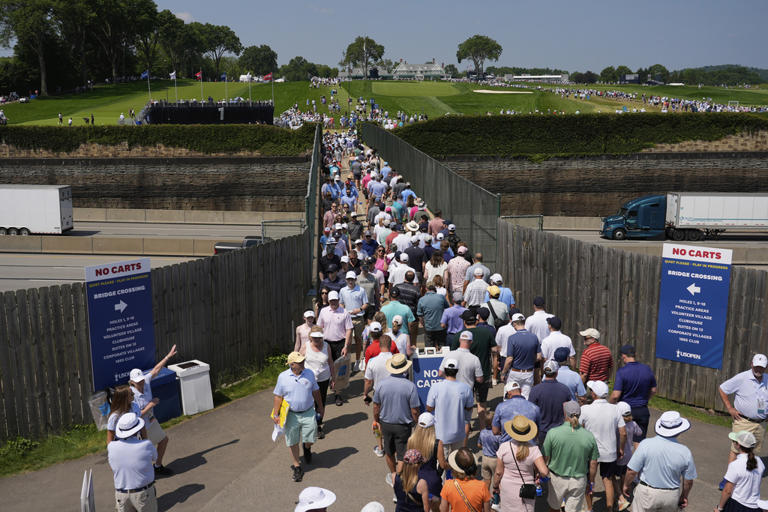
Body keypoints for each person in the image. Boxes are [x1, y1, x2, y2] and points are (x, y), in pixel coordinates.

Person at [623, 411, 696, 512]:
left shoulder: (646, 444)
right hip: (670, 495)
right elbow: (688, 481)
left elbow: (631, 471)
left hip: (647, 493)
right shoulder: (685, 452)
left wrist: (626, 484)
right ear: (679, 431)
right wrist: (684, 495)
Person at [272, 352, 325, 482]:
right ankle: (297, 466)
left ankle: (307, 448)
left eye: (302, 361)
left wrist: (321, 406)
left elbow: (315, 391)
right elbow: (278, 396)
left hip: (308, 412)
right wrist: (276, 413)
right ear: (291, 364)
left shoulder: (309, 374)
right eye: (299, 362)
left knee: (311, 438)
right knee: (292, 441)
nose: (302, 363)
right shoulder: (283, 377)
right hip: (291, 414)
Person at [129, 344, 177, 476]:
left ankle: (158, 466)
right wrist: (151, 405)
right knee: (142, 453)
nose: (141, 383)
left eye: (142, 380)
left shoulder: (146, 380)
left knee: (164, 440)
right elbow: (136, 416)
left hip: (151, 421)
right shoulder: (131, 396)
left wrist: (167, 356)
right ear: (132, 382)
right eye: (138, 382)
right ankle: (141, 475)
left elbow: (156, 369)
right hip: (140, 427)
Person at [542, 401, 599, 512]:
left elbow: (545, 457)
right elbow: (593, 463)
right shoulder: (589, 436)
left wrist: (541, 473)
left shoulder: (553, 433)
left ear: (565, 414)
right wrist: (591, 482)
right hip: (578, 480)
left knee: (554, 508)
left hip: (556, 479)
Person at [579, 380, 626, 512]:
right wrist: (621, 448)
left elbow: (579, 429)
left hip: (590, 452)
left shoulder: (585, 409)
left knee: (589, 480)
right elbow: (623, 433)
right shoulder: (615, 409)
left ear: (594, 394)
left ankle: (589, 508)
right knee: (608, 480)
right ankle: (609, 509)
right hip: (609, 452)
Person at [374, 354, 421, 484]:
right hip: (403, 426)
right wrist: (417, 423)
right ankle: (398, 479)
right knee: (402, 455)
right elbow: (414, 410)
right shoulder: (410, 386)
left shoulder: (381, 385)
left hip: (386, 423)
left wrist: (377, 420)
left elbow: (376, 406)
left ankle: (393, 474)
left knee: (389, 453)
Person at [718, 354, 768, 465]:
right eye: (757, 366)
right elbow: (723, 389)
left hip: (761, 424)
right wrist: (730, 408)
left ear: (766, 367)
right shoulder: (742, 377)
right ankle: (729, 479)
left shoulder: (767, 379)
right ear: (752, 364)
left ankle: (747, 476)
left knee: (754, 450)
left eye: (761, 367)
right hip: (743, 422)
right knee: (736, 450)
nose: (758, 369)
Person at [493, 415, 549, 512]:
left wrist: (495, 486)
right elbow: (544, 471)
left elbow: (498, 472)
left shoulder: (504, 447)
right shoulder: (534, 449)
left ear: (512, 432)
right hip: (527, 491)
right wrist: (538, 475)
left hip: (507, 490)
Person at [107, 413, 158, 512]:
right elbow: (155, 457)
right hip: (143, 493)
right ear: (137, 429)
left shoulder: (111, 447)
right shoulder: (146, 445)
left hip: (121, 495)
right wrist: (145, 436)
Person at [427, 358, 474, 463]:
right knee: (457, 464)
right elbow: (469, 407)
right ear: (457, 371)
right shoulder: (466, 388)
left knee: (441, 466)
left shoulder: (436, 387)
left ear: (444, 369)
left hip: (440, 434)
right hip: (458, 433)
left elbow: (429, 408)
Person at [609, 344, 657, 441]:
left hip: (626, 411)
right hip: (642, 410)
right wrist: (645, 399)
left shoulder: (622, 372)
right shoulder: (647, 369)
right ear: (635, 354)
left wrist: (609, 405)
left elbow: (615, 395)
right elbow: (653, 390)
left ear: (623, 356)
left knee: (622, 438)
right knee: (639, 440)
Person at [317, 290, 353, 406]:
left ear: (338, 300)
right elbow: (319, 328)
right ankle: (323, 393)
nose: (333, 303)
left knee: (338, 369)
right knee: (326, 367)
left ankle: (337, 393)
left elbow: (349, 330)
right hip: (326, 343)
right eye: (331, 301)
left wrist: (346, 346)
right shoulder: (323, 312)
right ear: (328, 301)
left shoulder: (344, 312)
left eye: (335, 300)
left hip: (340, 343)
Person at [717, 431, 764, 512]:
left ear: (738, 445)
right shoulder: (760, 462)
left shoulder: (735, 465)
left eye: (734, 441)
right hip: (755, 507)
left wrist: (720, 508)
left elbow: (727, 490)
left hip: (737, 505)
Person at [528, 360, 572, 445]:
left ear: (544, 372)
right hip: (560, 432)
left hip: (541, 431)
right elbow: (569, 411)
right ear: (556, 373)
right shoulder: (565, 389)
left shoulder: (535, 390)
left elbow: (531, 413)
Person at [408, 412, 443, 510]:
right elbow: (442, 464)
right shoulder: (437, 443)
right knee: (437, 508)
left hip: (415, 480)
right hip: (432, 481)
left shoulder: (411, 440)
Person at [500, 313, 540, 399]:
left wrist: (503, 373)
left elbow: (509, 359)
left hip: (515, 372)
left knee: (509, 397)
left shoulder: (512, 338)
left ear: (514, 323)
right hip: (529, 372)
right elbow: (539, 357)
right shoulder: (534, 337)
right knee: (526, 398)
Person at [304, 328, 334, 439]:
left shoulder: (326, 346)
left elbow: (330, 362)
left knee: (321, 402)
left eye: (319, 337)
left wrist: (333, 378)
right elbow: (299, 361)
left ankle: (318, 426)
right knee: (309, 402)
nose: (317, 339)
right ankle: (309, 425)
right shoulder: (306, 346)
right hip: (308, 380)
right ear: (310, 337)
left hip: (323, 379)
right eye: (314, 337)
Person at [339, 271, 369, 371]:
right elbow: (341, 303)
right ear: (346, 280)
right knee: (346, 342)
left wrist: (359, 310)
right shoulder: (343, 290)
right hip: (347, 319)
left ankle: (357, 361)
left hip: (359, 318)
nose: (350, 281)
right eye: (349, 279)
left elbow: (366, 304)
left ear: (355, 279)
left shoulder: (361, 290)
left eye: (352, 279)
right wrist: (343, 311)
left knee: (358, 340)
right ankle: (345, 362)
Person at [616, 401, 642, 512]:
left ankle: (621, 496)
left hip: (619, 454)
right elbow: (640, 433)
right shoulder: (633, 424)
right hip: (629, 454)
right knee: (625, 475)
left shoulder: (617, 426)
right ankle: (626, 494)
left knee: (617, 475)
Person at [418, 284, 450, 348]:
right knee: (442, 346)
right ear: (435, 290)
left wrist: (423, 324)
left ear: (426, 290)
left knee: (429, 347)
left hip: (428, 326)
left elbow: (419, 315)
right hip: (441, 326)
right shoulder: (441, 297)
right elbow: (447, 308)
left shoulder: (422, 299)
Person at [478, 412, 502, 492]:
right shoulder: (497, 435)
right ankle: (496, 499)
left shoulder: (482, 432)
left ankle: (485, 498)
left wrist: (485, 447)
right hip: (494, 459)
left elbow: (479, 445)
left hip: (485, 458)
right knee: (498, 481)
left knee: (486, 482)